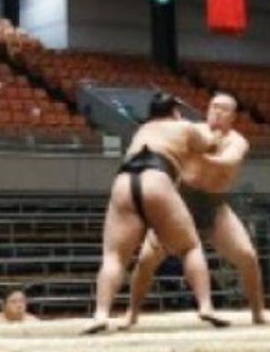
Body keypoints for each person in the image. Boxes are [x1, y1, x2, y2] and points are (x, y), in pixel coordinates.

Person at [125, 92, 270, 325]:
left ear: (233, 116)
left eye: (223, 109)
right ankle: (131, 314)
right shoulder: (191, 131)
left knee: (248, 256)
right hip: (179, 203)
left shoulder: (238, 141)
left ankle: (258, 313)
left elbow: (228, 162)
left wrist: (200, 157)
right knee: (146, 261)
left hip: (214, 204)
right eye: (213, 107)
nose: (217, 112)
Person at [86, 92, 225, 333]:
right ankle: (206, 306)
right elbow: (210, 145)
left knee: (114, 256)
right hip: (157, 178)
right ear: (174, 112)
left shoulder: (141, 130)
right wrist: (216, 130)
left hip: (124, 181)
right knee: (190, 247)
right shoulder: (183, 126)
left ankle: (100, 314)